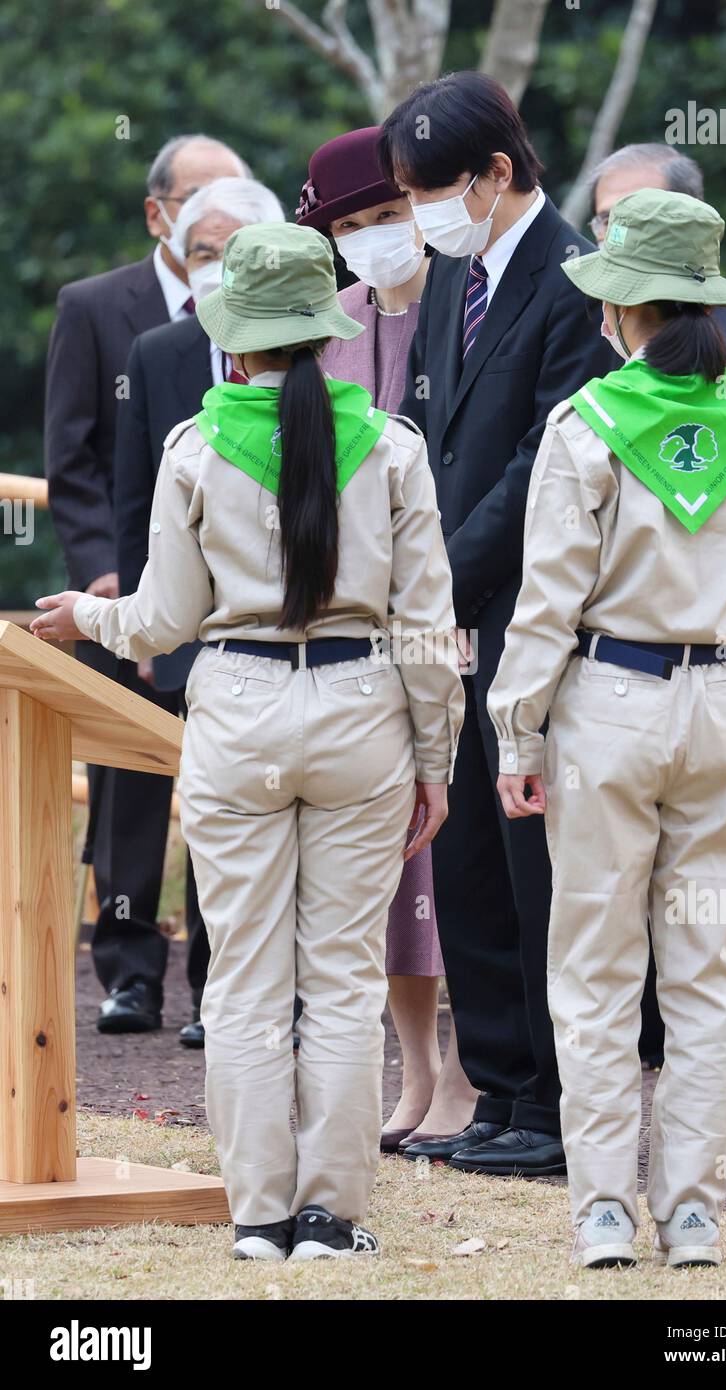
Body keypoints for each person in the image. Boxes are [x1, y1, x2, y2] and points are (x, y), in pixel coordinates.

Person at [33, 222, 464, 1263]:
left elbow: (162, 621)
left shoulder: (192, 446)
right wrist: (436, 758)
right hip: (364, 709)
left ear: (235, 337)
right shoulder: (395, 446)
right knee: (346, 975)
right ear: (323, 331)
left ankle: (259, 1214)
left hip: (238, 707)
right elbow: (426, 624)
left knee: (246, 981)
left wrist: (84, 618)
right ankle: (333, 1214)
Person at [488, 188, 726, 1268]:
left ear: (623, 309)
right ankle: (700, 1212)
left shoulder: (586, 428)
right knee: (704, 970)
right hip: (723, 706)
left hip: (610, 708)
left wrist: (515, 734)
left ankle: (607, 1208)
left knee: (595, 969)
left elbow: (547, 604)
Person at [380, 71, 614, 1176]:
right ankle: (501, 1089)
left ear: (499, 174)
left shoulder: (577, 283)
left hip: (530, 622)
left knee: (536, 871)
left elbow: (538, 469)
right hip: (447, 616)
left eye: (433, 188)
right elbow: (428, 435)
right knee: (463, 855)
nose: (421, 209)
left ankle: (559, 1106)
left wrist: (442, 573)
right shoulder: (447, 275)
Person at [295, 126, 477, 1151]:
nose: (373, 239)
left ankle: (469, 1076)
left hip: (461, 613)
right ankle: (417, 1075)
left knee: (462, 867)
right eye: (352, 227)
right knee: (391, 870)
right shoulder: (335, 327)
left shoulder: (464, 308)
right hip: (365, 625)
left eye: (387, 215)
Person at [587, 141, 726, 1066]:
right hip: (658, 676)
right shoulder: (599, 358)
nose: (613, 239)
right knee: (616, 923)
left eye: (630, 220)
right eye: (604, 221)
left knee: (694, 932)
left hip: (689, 655)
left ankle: (633, 1192)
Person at [44, 133, 249, 1037]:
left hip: (238, 600)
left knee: (225, 779)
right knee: (130, 778)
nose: (212, 216)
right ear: (156, 210)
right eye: (196, 198)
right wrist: (107, 580)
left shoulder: (270, 312)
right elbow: (74, 458)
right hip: (128, 581)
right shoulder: (94, 307)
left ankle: (217, 978)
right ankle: (129, 972)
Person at [112, 176, 285, 1047]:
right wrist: (146, 621)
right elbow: (131, 495)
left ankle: (225, 991)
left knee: (251, 819)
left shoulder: (322, 366)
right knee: (201, 812)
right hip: (181, 622)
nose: (216, 267)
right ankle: (164, 984)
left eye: (234, 251)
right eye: (204, 251)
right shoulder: (159, 352)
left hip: (284, 636)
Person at [589, 143, 726, 409]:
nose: (622, 231)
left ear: (690, 215)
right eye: (608, 219)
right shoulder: (585, 317)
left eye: (644, 216)